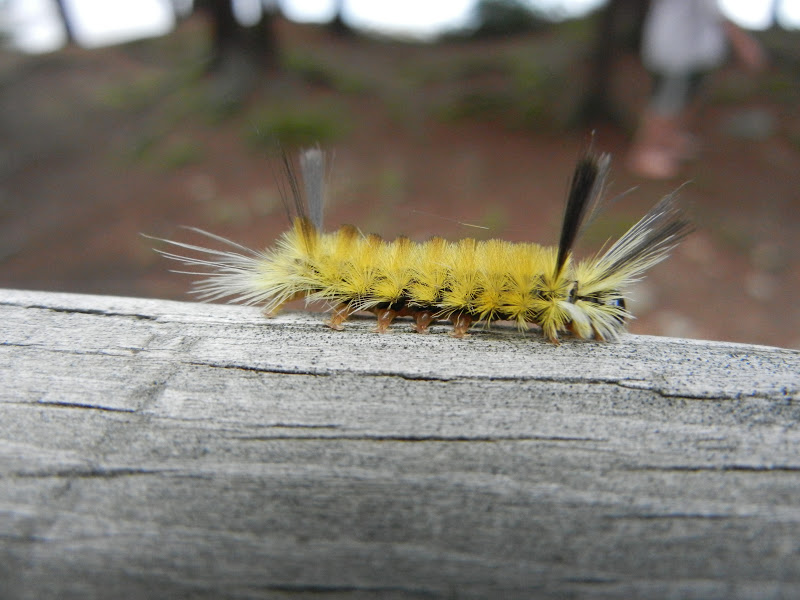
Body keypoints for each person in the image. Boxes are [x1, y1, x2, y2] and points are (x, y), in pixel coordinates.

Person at [627, 0, 766, 179]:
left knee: (683, 99)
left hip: (690, 53)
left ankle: (668, 142)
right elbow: (717, 14)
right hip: (676, 53)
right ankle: (645, 152)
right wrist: (745, 46)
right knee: (666, 102)